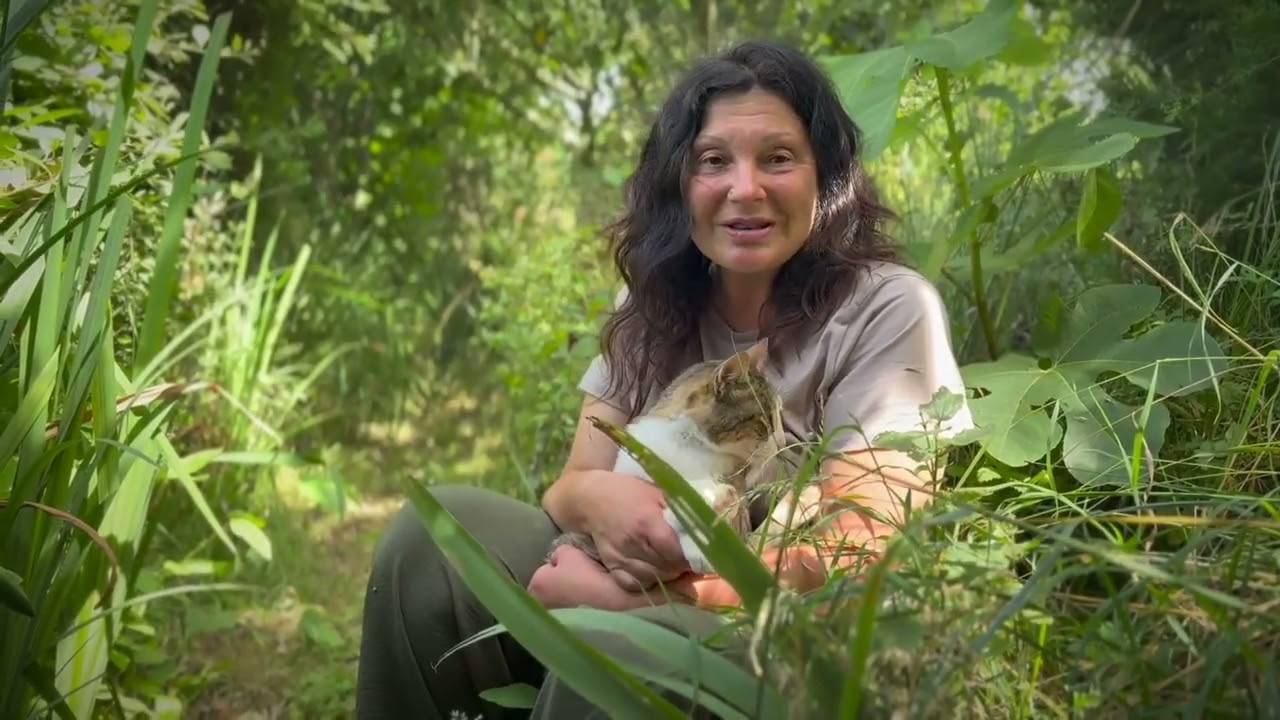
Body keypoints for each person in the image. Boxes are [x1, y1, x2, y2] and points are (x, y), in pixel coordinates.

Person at [354, 38, 973, 719]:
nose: (745, 188)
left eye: (778, 158)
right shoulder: (652, 302)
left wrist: (648, 602)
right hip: (607, 574)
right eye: (715, 161)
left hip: (775, 633)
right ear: (680, 182)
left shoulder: (888, 308)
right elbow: (569, 487)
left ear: (825, 177)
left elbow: (861, 552)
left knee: (628, 644)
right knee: (431, 541)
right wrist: (601, 504)